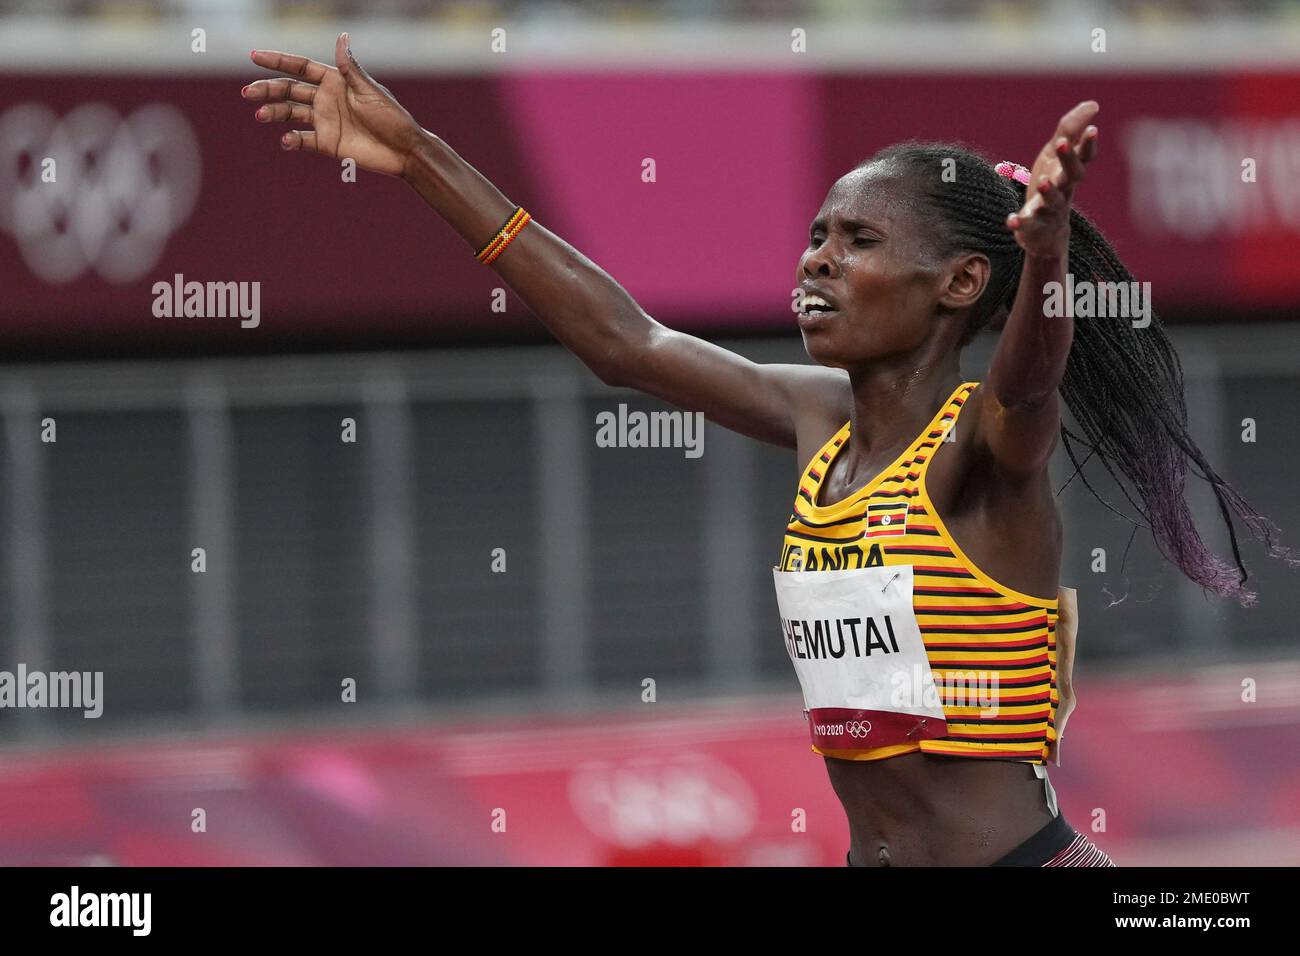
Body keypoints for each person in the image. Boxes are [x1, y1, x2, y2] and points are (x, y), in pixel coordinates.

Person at [241, 34, 1294, 866]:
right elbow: (628, 344)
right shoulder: (818, 417)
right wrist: (420, 154)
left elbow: (1029, 378)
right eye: (815, 236)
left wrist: (1050, 251)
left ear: (961, 284)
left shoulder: (983, 440)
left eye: (860, 242)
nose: (818, 263)